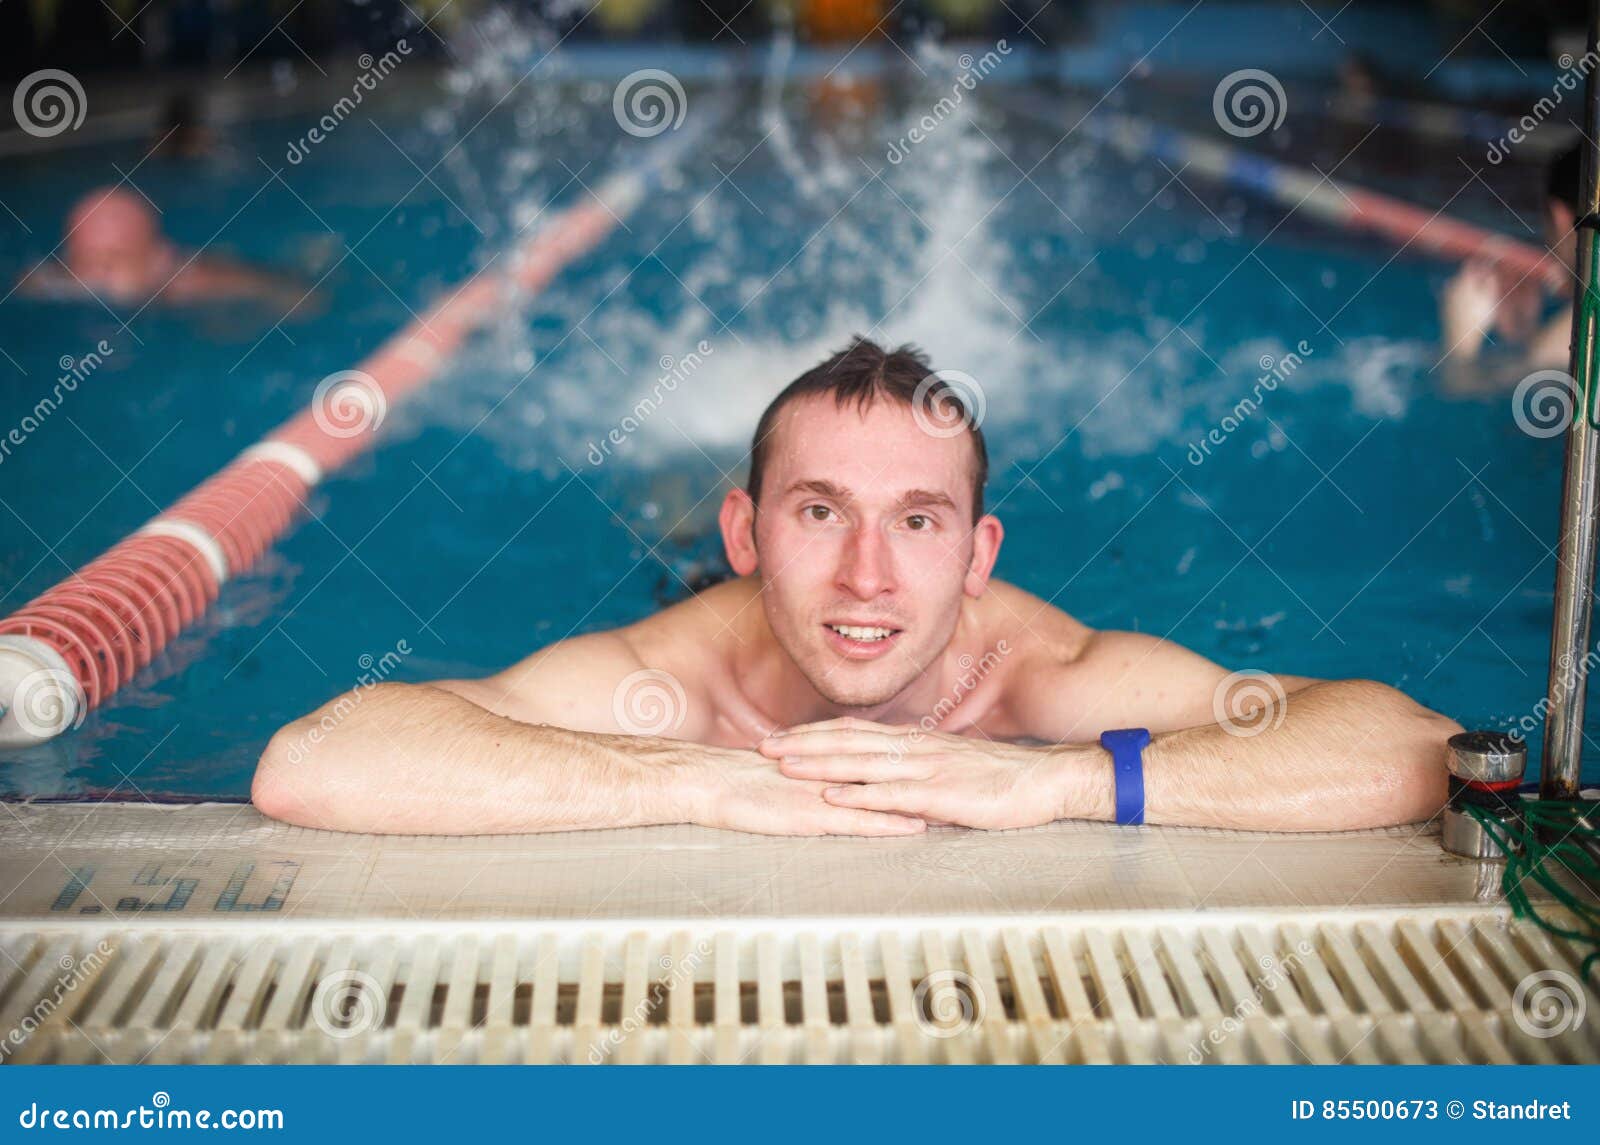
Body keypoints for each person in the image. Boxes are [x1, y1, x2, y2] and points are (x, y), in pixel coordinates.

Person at [252, 338, 1459, 837]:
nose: (867, 576)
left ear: (981, 557)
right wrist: (687, 782)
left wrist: (1064, 782)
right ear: (751, 533)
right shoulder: (669, 686)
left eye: (917, 522)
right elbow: (315, 754)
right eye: (819, 512)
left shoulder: (1044, 678)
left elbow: (1418, 743)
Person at [15, 187, 314, 311]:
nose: (96, 277)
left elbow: (301, 298)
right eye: (83, 262)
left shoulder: (192, 283)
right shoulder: (58, 282)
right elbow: (32, 281)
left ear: (159, 257)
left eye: (112, 261)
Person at [1440, 145, 1578, 376]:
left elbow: (1461, 398)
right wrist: (1526, 336)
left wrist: (1460, 341)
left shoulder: (1568, 343)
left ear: (1559, 216)